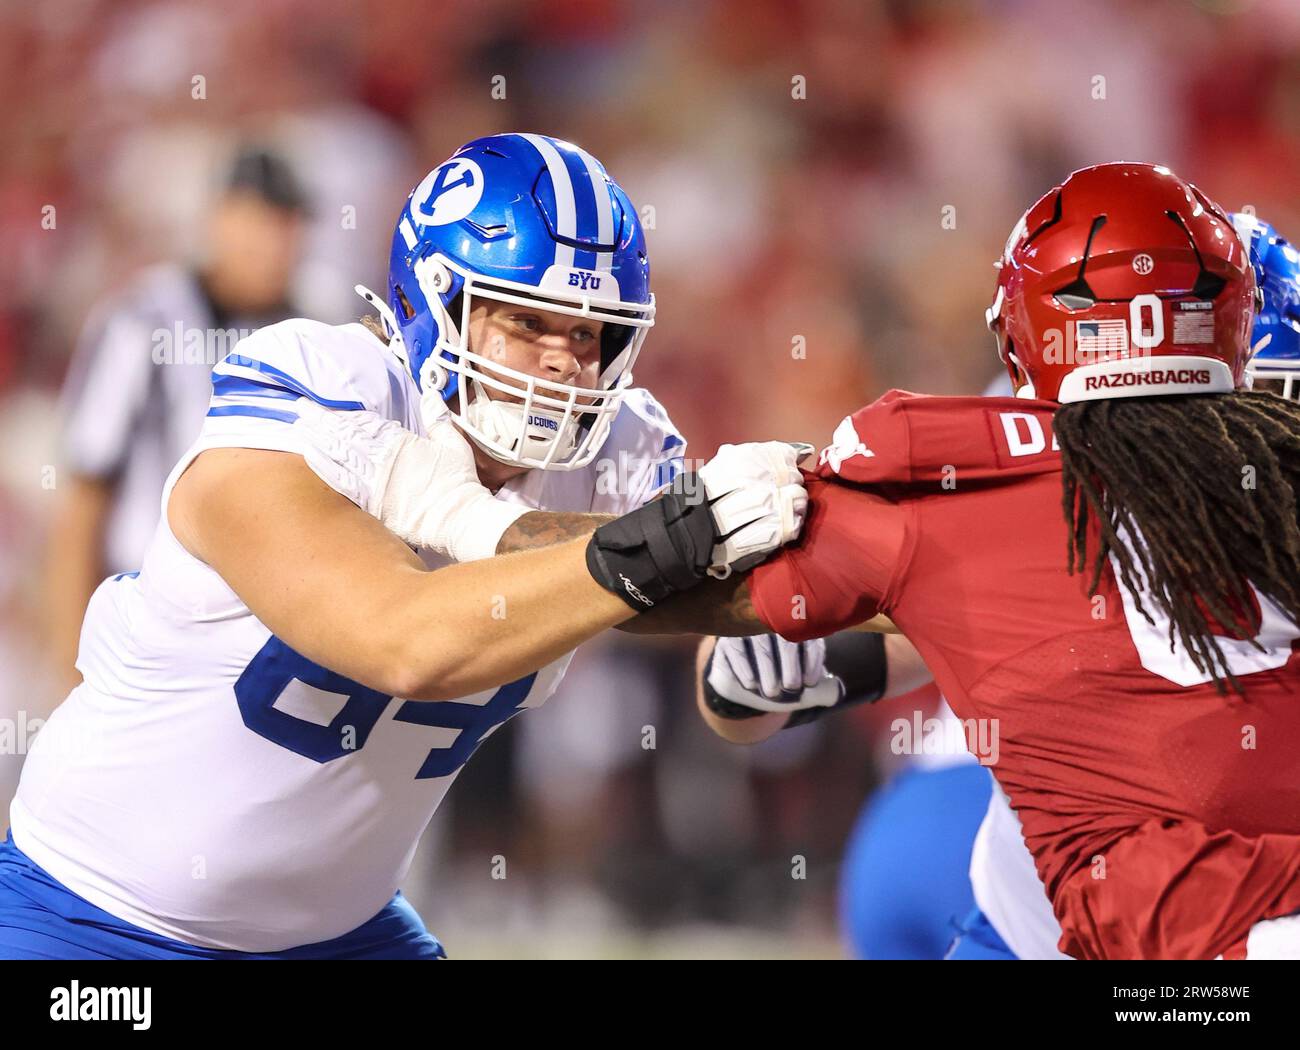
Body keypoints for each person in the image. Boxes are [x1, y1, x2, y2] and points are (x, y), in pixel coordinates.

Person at [0, 134, 807, 960]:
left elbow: (729, 618)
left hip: (343, 935)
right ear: (435, 303)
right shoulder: (324, 383)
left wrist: (825, 587)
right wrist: (680, 542)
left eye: (592, 332)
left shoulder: (615, 456)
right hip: (88, 917)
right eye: (528, 321)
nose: (565, 364)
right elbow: (406, 641)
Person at [677, 162, 1300, 960]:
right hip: (1071, 869)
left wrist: (792, 658)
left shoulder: (1009, 438)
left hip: (973, 855)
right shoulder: (1048, 457)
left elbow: (743, 680)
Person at [44, 145, 311, 691]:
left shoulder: (306, 329)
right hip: (142, 611)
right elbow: (83, 497)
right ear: (218, 222)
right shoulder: (142, 320)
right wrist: (69, 666)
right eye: (256, 222)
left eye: (286, 224)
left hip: (256, 625)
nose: (273, 244)